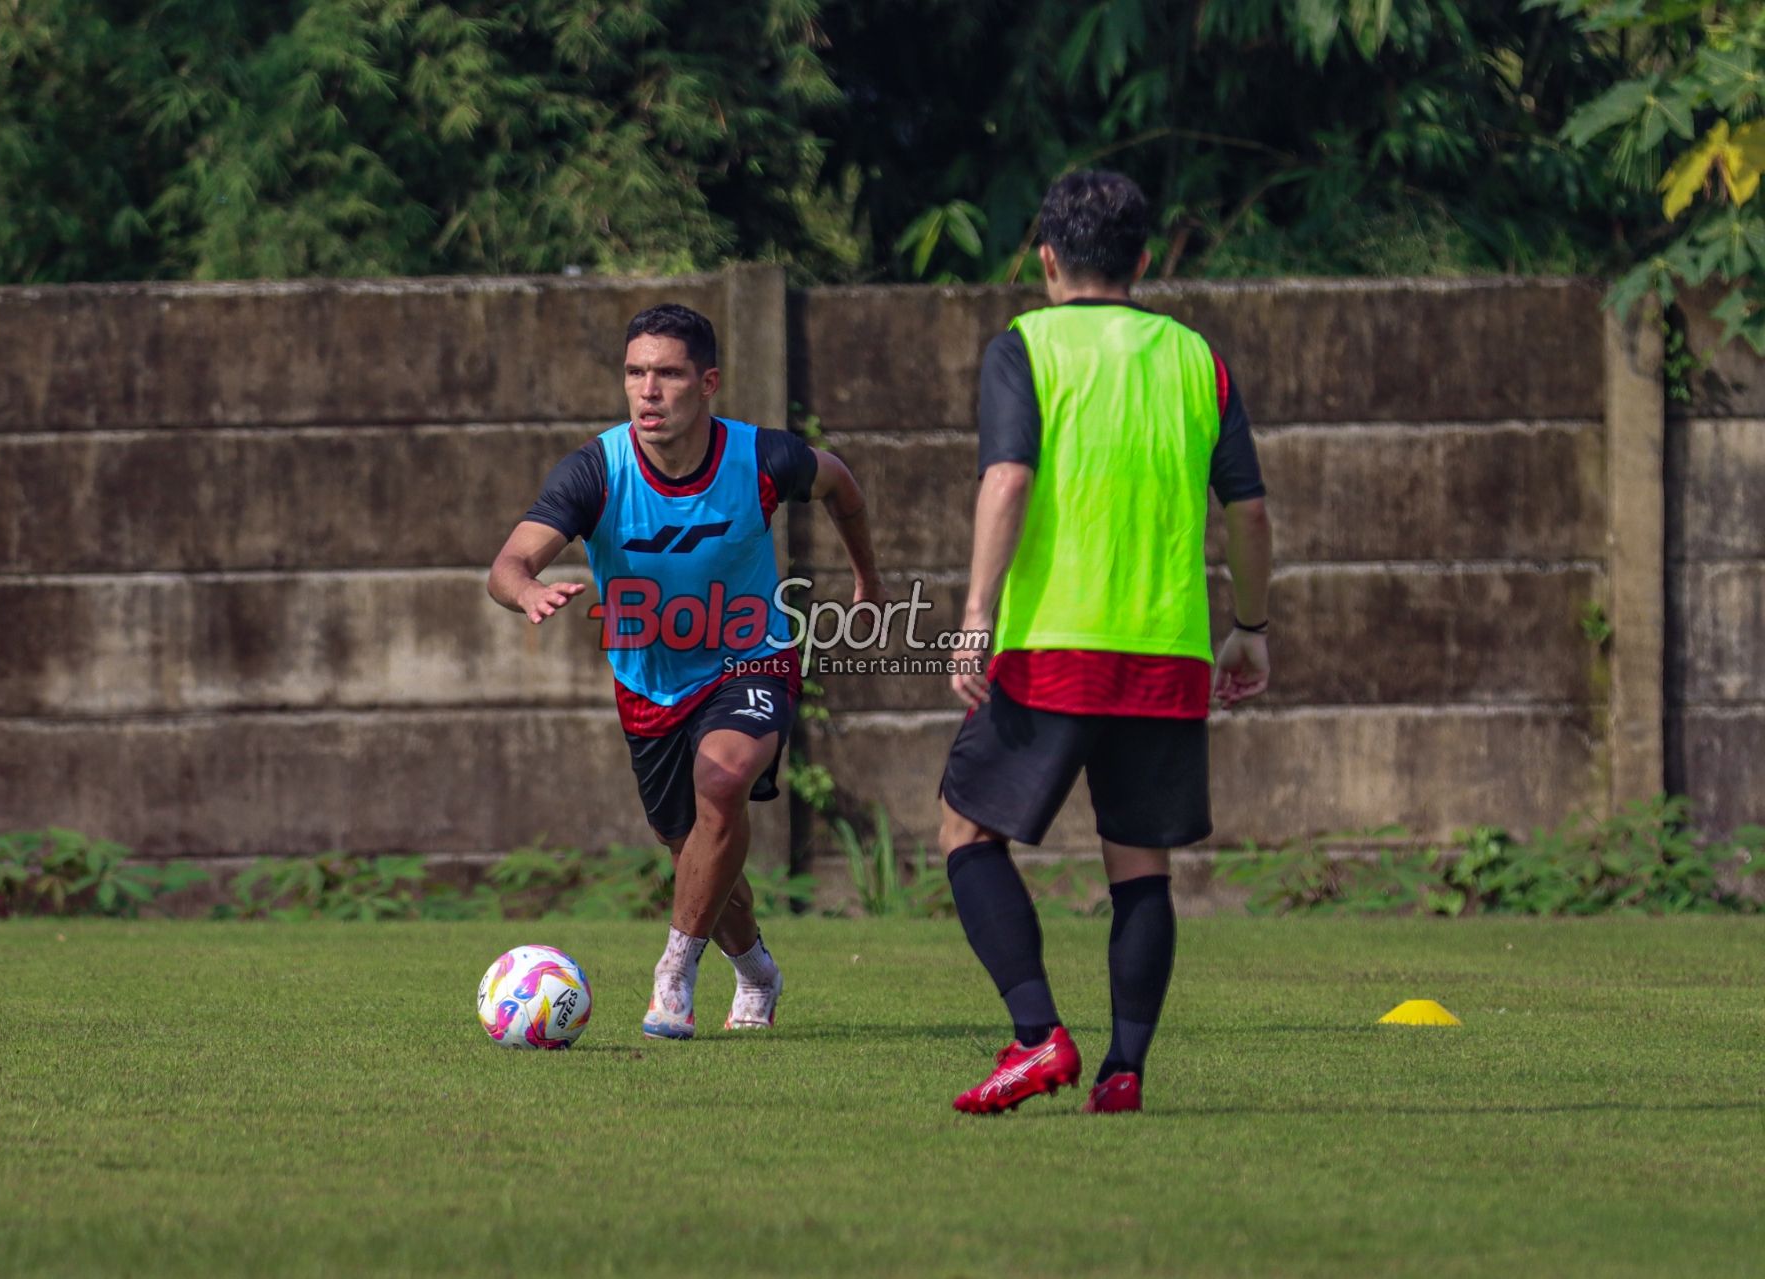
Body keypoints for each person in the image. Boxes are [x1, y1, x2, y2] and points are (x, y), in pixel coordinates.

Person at [938, 171, 1273, 1114]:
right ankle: (1124, 1072)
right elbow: (1247, 511)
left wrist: (975, 617)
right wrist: (1247, 629)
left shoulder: (1026, 346)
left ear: (1046, 257)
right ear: (1142, 260)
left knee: (964, 829)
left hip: (1054, 644)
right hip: (1168, 651)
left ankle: (1039, 1036)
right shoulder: (1196, 358)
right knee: (1140, 864)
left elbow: (1006, 480)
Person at [490, 303, 881, 1039]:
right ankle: (758, 970)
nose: (648, 391)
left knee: (724, 780)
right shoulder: (595, 471)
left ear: (708, 384)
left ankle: (673, 970)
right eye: (636, 373)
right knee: (697, 855)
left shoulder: (763, 459)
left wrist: (869, 578)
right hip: (649, 688)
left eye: (667, 374)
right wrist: (528, 590)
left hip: (750, 655)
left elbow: (842, 486)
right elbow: (507, 563)